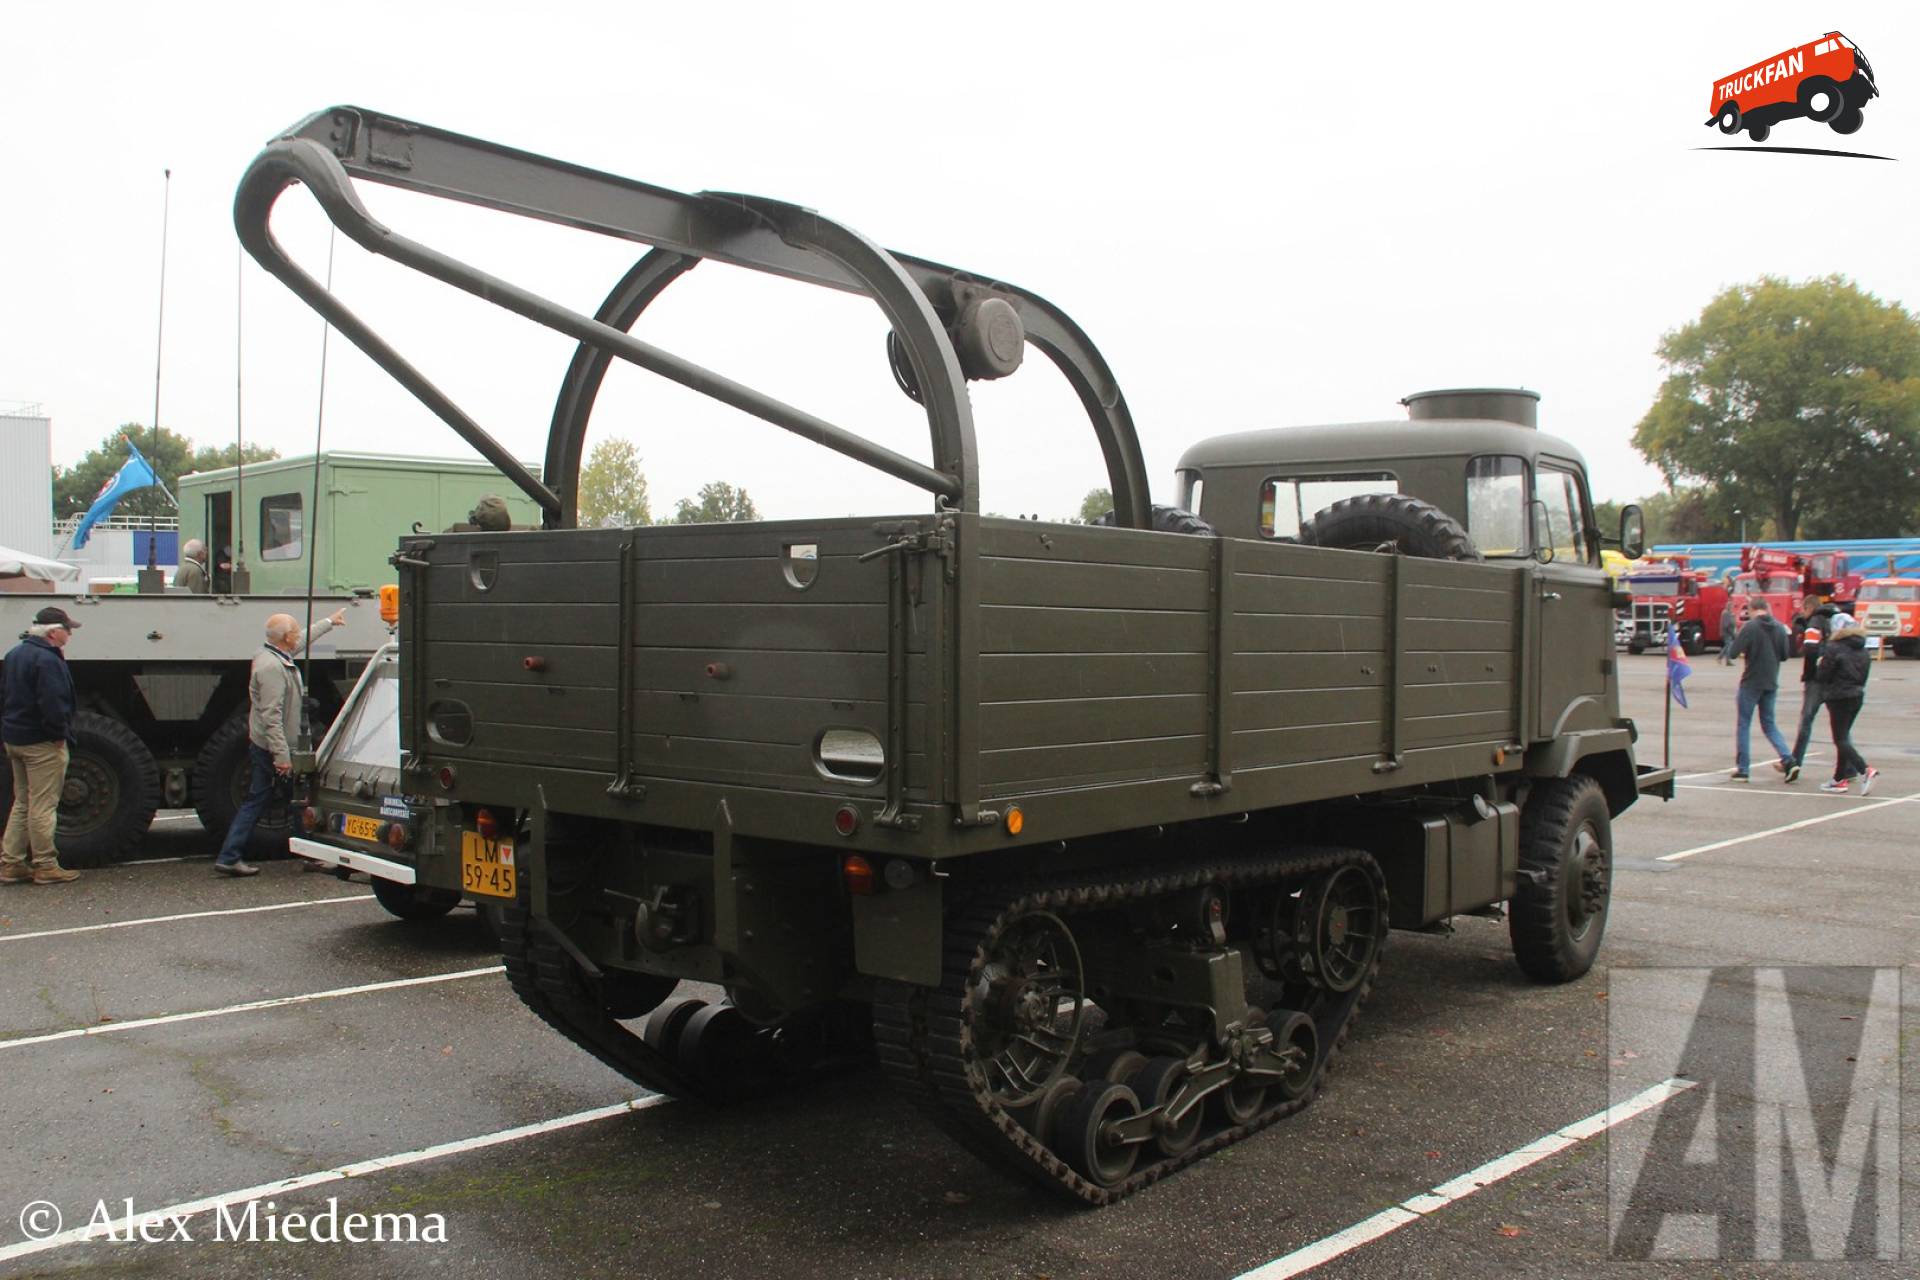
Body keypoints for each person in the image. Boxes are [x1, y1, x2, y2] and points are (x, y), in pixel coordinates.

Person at [214, 608, 347, 876]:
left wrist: (328, 623)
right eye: (294, 631)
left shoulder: (272, 654)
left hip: (270, 745)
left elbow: (302, 640)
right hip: (275, 748)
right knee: (282, 798)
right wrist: (282, 758)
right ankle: (235, 856)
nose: (297, 635)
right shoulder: (273, 668)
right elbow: (271, 717)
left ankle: (305, 853)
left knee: (294, 800)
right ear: (285, 637)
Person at [2, 606, 85, 885]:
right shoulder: (48, 661)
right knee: (43, 805)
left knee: (22, 802)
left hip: (15, 738)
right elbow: (53, 702)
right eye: (67, 629)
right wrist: (59, 734)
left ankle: (11, 862)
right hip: (41, 742)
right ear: (53, 632)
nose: (70, 634)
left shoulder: (15, 655)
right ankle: (46, 864)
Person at [1722, 593, 1793, 783]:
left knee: (1744, 724)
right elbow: (1786, 655)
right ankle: (1788, 758)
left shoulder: (1750, 627)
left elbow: (1733, 653)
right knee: (1769, 724)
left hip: (1751, 681)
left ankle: (1743, 769)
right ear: (1767, 608)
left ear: (1752, 610)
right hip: (1771, 681)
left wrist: (1744, 646)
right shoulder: (1779, 627)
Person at [1816, 614, 1878, 795]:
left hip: (1838, 697)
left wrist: (1820, 665)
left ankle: (1865, 769)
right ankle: (1839, 779)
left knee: (1840, 739)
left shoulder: (1833, 648)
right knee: (1843, 738)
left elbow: (1823, 675)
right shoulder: (1862, 649)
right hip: (1857, 695)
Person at [1784, 594, 1835, 778]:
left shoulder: (1814, 622)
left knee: (1806, 720)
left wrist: (1808, 673)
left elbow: (1811, 648)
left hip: (1816, 680)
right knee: (1839, 726)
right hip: (1833, 677)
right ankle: (1849, 767)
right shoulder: (1831, 619)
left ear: (1809, 608)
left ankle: (1795, 762)